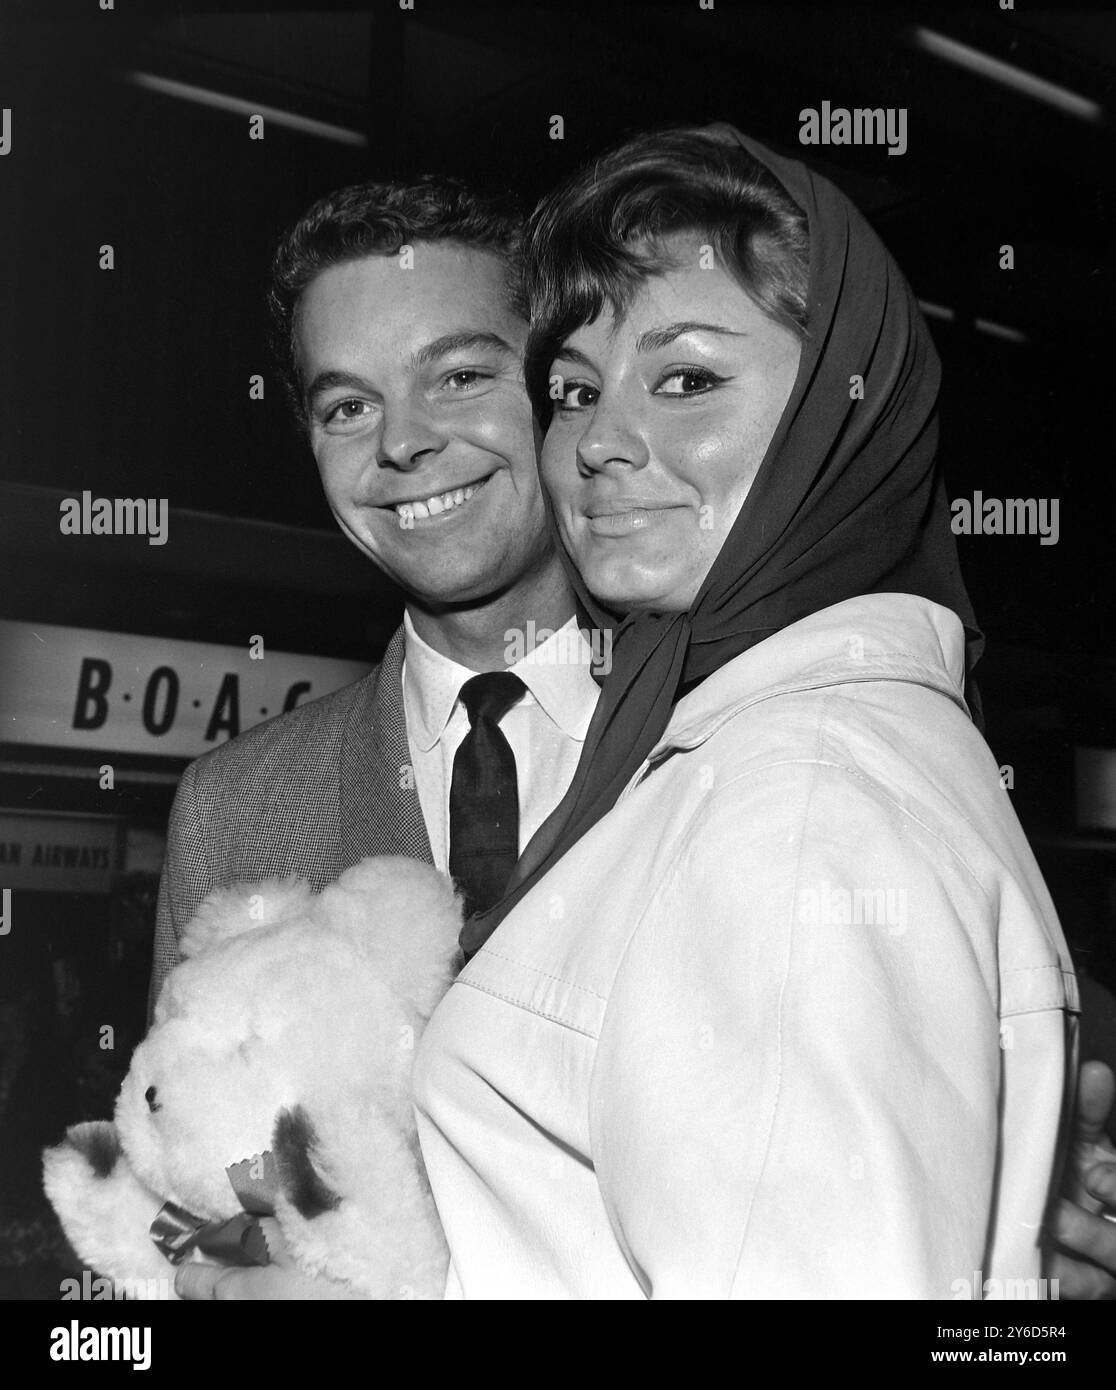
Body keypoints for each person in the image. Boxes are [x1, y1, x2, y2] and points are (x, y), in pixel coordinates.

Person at [161, 165, 1115, 1299]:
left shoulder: (769, 747)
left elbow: (1017, 1112)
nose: (402, 443)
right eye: (347, 404)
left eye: (461, 373)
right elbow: (174, 1189)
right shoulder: (235, 804)